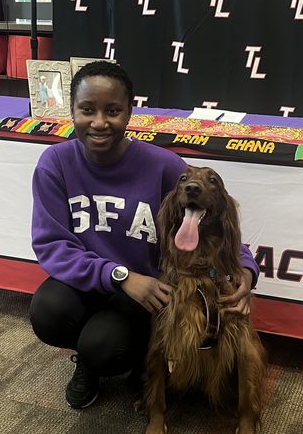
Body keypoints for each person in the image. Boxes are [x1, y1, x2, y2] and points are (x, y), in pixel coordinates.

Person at [29, 60, 259, 408]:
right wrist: (118, 275)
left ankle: (126, 357)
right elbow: (53, 245)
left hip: (145, 294)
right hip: (94, 282)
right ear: (71, 110)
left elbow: (211, 214)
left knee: (103, 345)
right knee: (48, 311)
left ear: (129, 113)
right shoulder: (55, 163)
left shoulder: (163, 165)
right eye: (87, 110)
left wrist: (245, 268)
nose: (100, 122)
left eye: (113, 111)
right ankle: (88, 364)